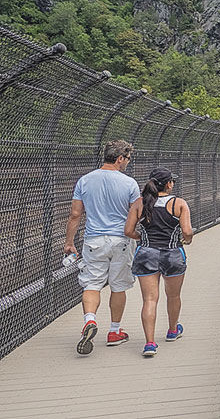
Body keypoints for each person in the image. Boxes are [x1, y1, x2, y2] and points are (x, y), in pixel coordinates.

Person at [64, 140, 140, 355]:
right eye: (127, 159)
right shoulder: (130, 183)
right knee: (118, 286)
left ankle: (90, 320)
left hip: (94, 240)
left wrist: (69, 242)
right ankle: (114, 331)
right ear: (120, 158)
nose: (127, 163)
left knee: (91, 284)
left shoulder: (85, 181)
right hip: (121, 240)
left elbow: (75, 214)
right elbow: (136, 213)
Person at [124, 168, 193, 357]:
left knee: (149, 299)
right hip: (172, 253)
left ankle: (149, 343)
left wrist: (143, 239)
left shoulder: (140, 203)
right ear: (169, 184)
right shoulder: (179, 203)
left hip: (147, 253)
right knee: (173, 296)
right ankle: (172, 330)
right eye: (172, 181)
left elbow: (128, 231)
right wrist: (187, 240)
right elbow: (187, 232)